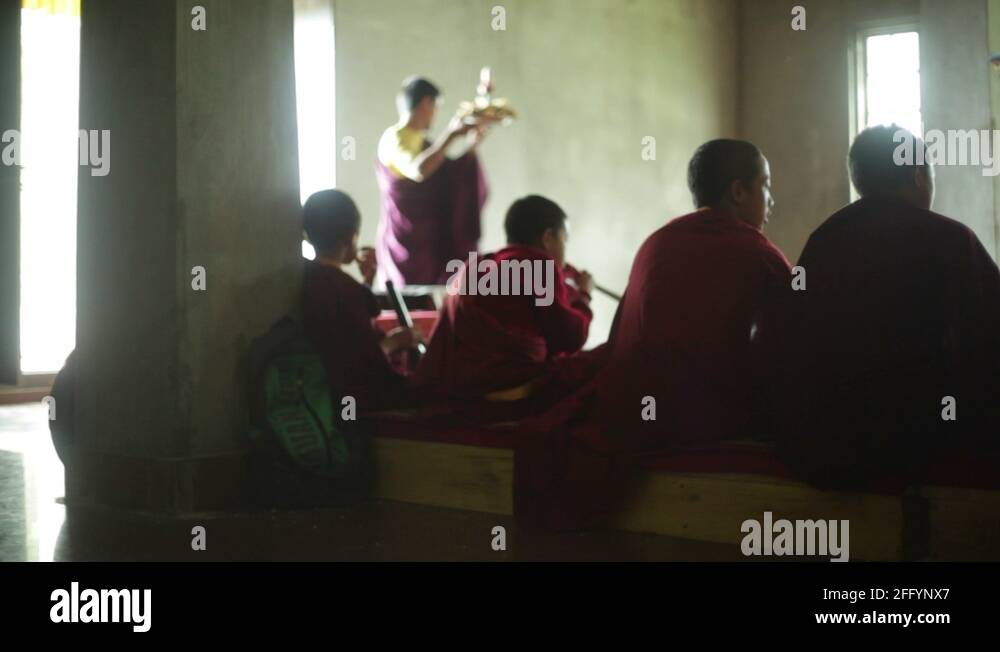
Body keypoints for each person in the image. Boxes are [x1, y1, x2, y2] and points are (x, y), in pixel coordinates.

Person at [515, 139, 792, 529]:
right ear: (738, 191)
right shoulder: (756, 249)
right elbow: (798, 337)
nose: (771, 200)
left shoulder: (656, 241)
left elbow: (619, 341)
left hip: (628, 406)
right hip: (695, 417)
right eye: (766, 185)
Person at [775, 125, 1000, 489]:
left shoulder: (822, 240)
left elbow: (787, 337)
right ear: (917, 176)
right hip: (914, 446)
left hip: (818, 450)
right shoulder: (950, 238)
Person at [413, 195, 597, 410]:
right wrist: (584, 294)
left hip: (460, 387)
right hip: (507, 386)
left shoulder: (473, 266)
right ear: (547, 238)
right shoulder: (539, 264)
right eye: (564, 240)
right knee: (598, 364)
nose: (565, 251)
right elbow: (570, 338)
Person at [300, 189, 423, 410]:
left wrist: (366, 282)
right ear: (351, 237)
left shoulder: (303, 276)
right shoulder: (348, 290)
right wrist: (397, 340)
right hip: (352, 404)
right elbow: (364, 365)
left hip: (312, 393)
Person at [376, 76, 490, 286]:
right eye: (436, 107)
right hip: (405, 245)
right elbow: (418, 170)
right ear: (427, 103)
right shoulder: (394, 137)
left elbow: (449, 181)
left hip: (431, 244)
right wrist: (451, 135)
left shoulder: (424, 143)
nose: (436, 114)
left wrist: (472, 147)